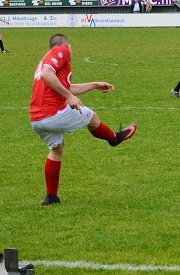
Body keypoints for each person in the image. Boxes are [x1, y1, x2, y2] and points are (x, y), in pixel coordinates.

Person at [29, 33, 137, 205]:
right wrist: (68, 97)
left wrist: (94, 85)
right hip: (53, 113)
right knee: (91, 116)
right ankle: (113, 138)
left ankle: (51, 197)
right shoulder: (61, 49)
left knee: (57, 150)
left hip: (37, 120)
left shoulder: (47, 61)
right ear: (66, 44)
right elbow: (47, 75)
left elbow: (64, 86)